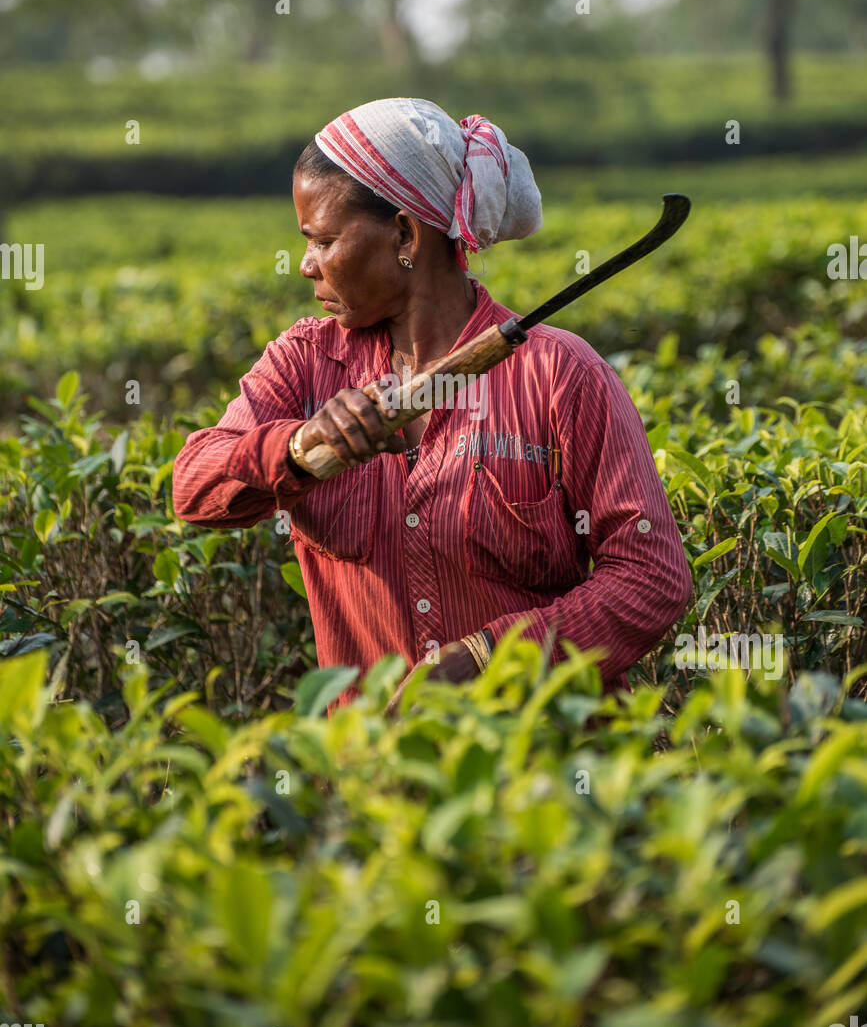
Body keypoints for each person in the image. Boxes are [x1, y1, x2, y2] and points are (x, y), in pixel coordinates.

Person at [172, 97, 692, 709]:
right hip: (376, 779)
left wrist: (490, 661)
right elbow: (194, 489)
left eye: (324, 240)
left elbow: (651, 577)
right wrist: (297, 447)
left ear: (404, 233)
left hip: (544, 775)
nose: (306, 265)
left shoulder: (561, 375)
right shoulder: (303, 361)